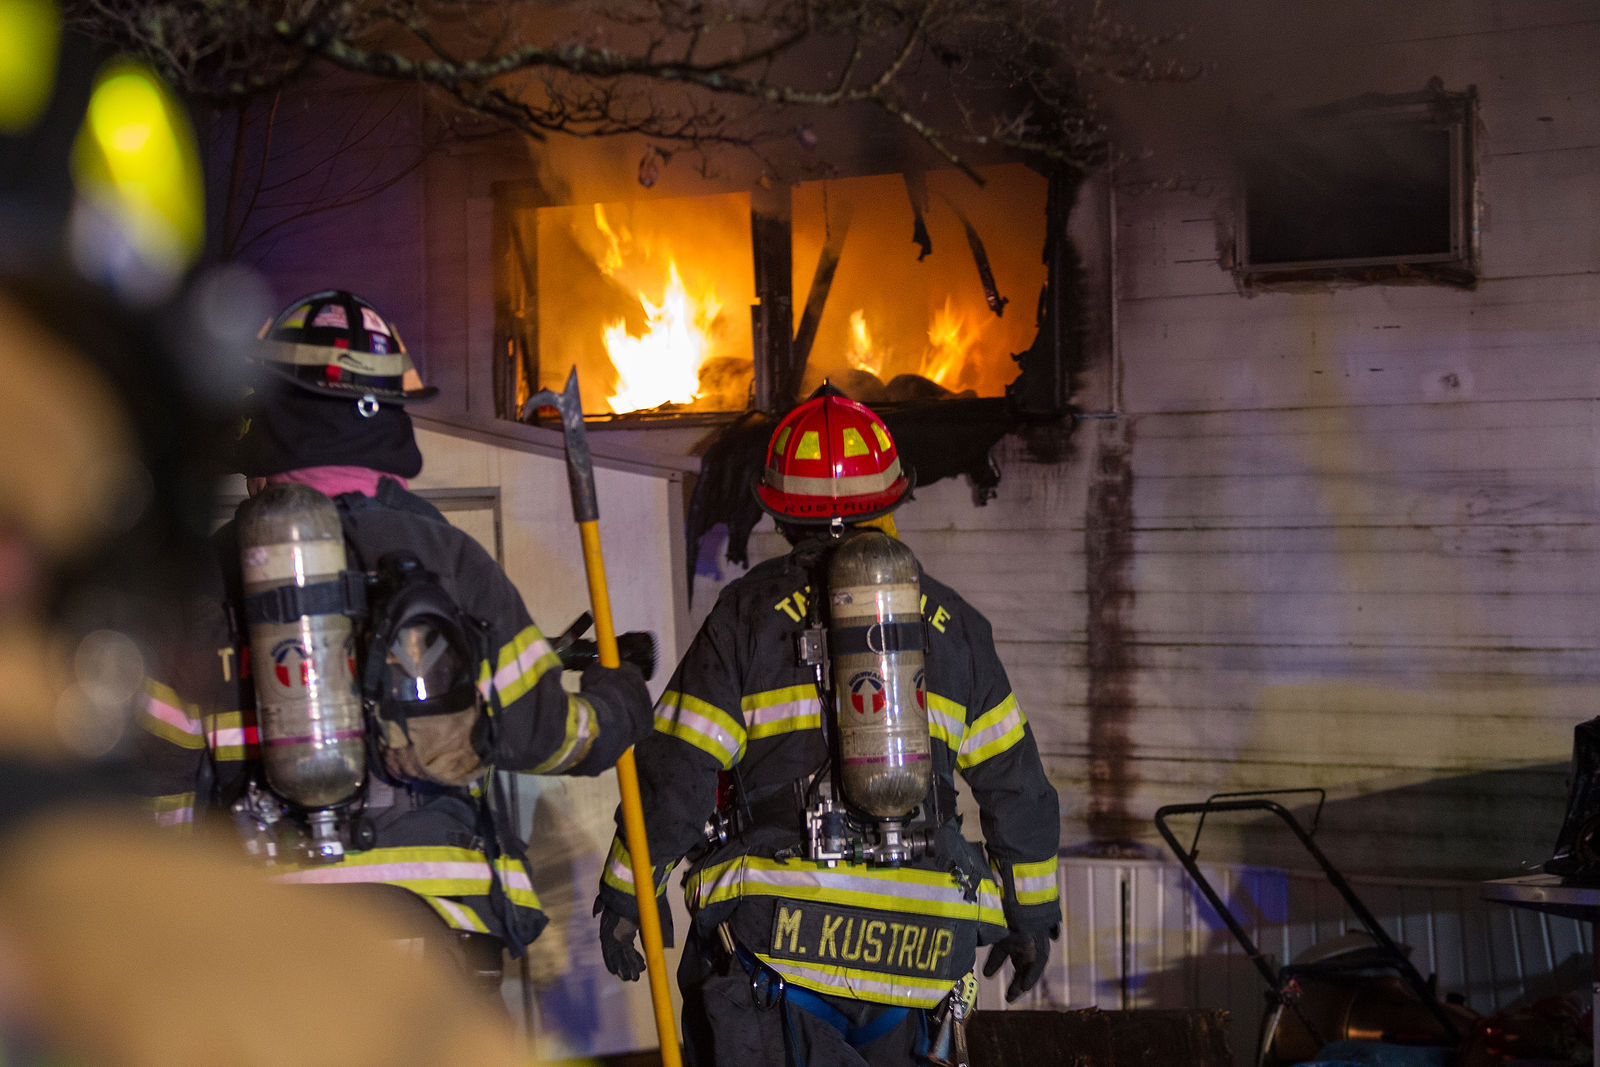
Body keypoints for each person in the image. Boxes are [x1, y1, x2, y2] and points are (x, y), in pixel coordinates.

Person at [135, 288, 656, 992]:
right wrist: (618, 699)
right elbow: (545, 734)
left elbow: (154, 785)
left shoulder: (197, 579)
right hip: (432, 927)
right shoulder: (450, 555)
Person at [592, 390, 1062, 1066]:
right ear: (891, 498)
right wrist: (1031, 916)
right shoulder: (955, 624)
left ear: (779, 509)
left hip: (781, 946)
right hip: (922, 954)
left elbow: (678, 770)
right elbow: (1018, 785)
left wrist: (627, 891)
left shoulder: (748, 614)